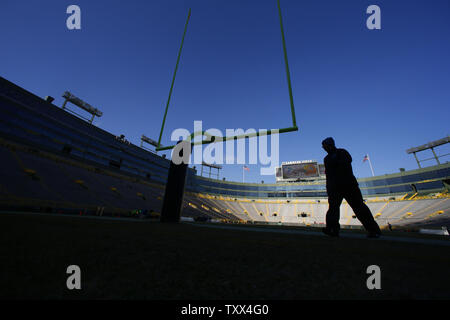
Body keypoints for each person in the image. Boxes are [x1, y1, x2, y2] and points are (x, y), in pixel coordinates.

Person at [321, 137, 381, 238]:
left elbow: (346, 163)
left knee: (359, 207)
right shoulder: (326, 158)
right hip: (335, 188)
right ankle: (332, 229)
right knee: (333, 209)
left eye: (325, 146)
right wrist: (329, 188)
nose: (323, 148)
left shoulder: (342, 152)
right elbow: (329, 175)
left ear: (330, 144)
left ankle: (373, 230)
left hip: (349, 185)